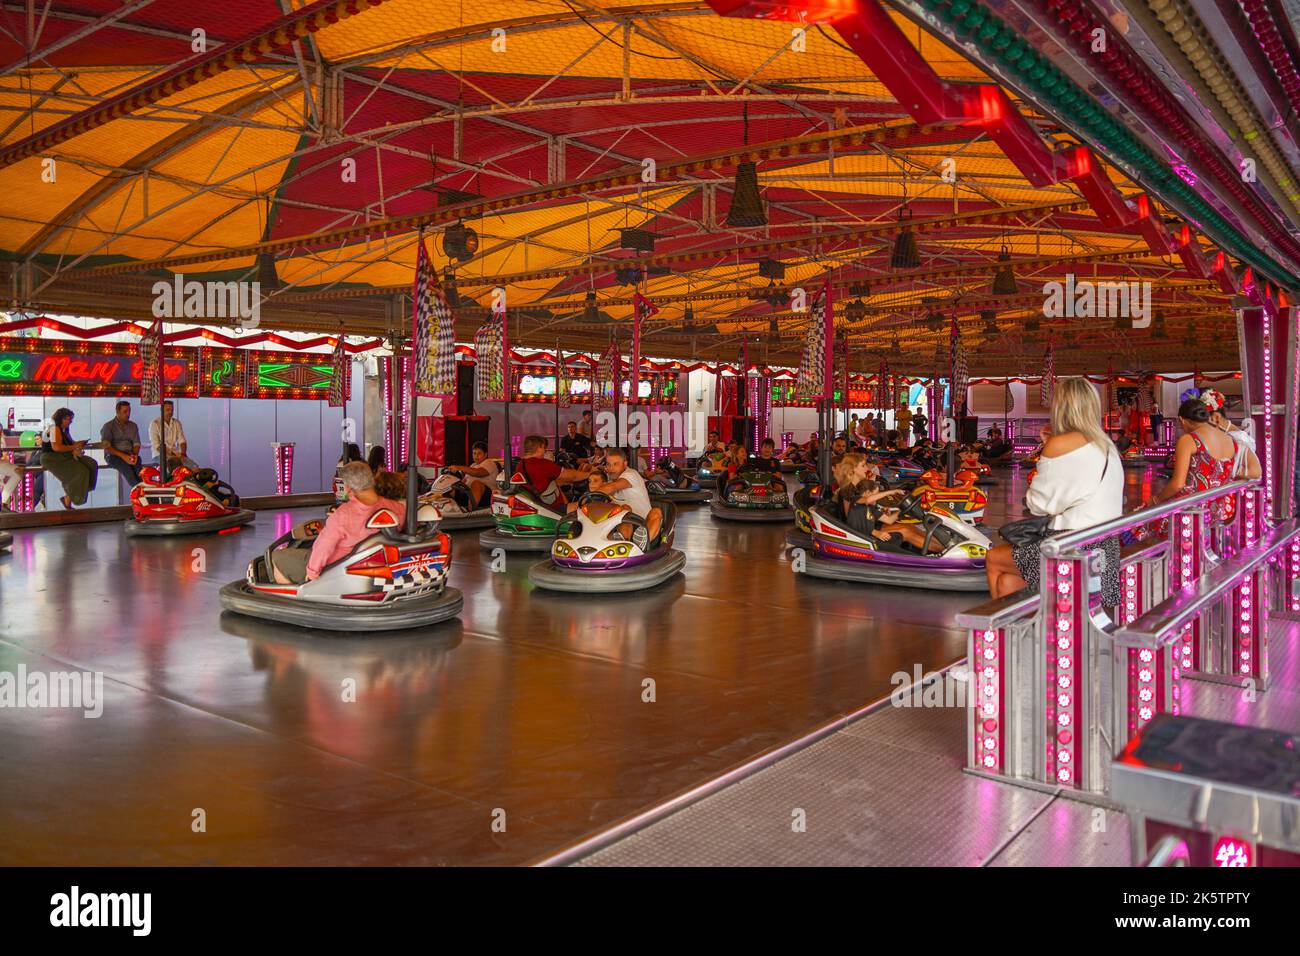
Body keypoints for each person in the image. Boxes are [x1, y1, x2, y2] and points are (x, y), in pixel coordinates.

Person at [985, 377, 1123, 602]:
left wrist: (1046, 452)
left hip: (1070, 546)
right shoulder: (1106, 444)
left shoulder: (1060, 443)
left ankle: (999, 632)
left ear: (1060, 406)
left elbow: (1038, 505)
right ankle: (1029, 629)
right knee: (1007, 581)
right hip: (1106, 547)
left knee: (993, 557)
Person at [271, 462, 405, 584]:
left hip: (337, 565)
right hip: (370, 559)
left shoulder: (342, 516)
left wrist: (312, 572)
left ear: (347, 487)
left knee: (278, 556)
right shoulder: (397, 508)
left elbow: (324, 546)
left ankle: (295, 600)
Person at [1132, 396, 1240, 540]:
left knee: (1140, 519)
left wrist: (1155, 500)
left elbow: (1178, 484)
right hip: (1216, 508)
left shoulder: (1189, 440)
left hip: (1190, 508)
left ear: (1182, 420)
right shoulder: (1231, 440)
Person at [831, 453, 940, 552]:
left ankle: (946, 549)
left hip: (871, 524)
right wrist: (874, 532)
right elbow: (851, 520)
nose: (867, 468)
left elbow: (865, 509)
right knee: (905, 530)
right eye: (863, 466)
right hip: (863, 533)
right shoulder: (847, 490)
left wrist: (881, 510)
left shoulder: (858, 487)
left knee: (909, 526)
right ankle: (941, 553)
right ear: (853, 469)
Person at [586, 447, 662, 542]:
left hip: (642, 525)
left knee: (655, 511)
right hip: (621, 525)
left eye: (615, 464)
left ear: (625, 464)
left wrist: (587, 498)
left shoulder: (630, 474)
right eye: (608, 464)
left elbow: (613, 487)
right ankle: (620, 541)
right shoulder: (609, 482)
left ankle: (642, 543)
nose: (611, 468)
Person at [42, 408, 99, 509]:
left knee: (92, 464)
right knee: (81, 472)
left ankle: (76, 494)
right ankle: (70, 498)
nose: (70, 422)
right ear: (61, 419)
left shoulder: (64, 430)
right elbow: (56, 447)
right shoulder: (54, 428)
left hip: (64, 455)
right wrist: (74, 447)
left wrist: (79, 444)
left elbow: (70, 444)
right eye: (69, 419)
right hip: (52, 458)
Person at [515, 435, 590, 506]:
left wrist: (568, 482)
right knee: (585, 504)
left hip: (537, 501)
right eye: (544, 448)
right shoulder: (542, 464)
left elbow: (542, 481)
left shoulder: (520, 465)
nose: (545, 450)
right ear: (538, 448)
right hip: (553, 506)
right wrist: (589, 474)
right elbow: (573, 476)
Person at [100, 401, 144, 489]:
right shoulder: (108, 426)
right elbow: (107, 447)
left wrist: (134, 455)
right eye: (125, 412)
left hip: (129, 453)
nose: (128, 414)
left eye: (129, 411)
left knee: (139, 471)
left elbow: (137, 444)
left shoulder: (133, 426)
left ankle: (143, 490)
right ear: (117, 412)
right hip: (113, 455)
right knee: (127, 470)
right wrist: (124, 456)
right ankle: (140, 491)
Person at [445, 441, 501, 508]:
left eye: (479, 453)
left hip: (487, 497)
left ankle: (471, 511)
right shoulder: (472, 465)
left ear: (485, 454)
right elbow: (463, 482)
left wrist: (459, 467)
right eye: (474, 453)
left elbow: (478, 473)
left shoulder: (489, 463)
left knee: (476, 483)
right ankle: (446, 508)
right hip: (468, 494)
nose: (476, 456)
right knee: (450, 486)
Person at [149, 401, 198, 471]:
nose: (170, 412)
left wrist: (183, 454)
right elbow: (157, 446)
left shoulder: (176, 423)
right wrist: (171, 456)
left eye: (172, 410)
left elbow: (182, 441)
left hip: (176, 455)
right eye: (168, 410)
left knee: (194, 467)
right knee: (173, 467)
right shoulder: (154, 424)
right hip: (159, 455)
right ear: (161, 410)